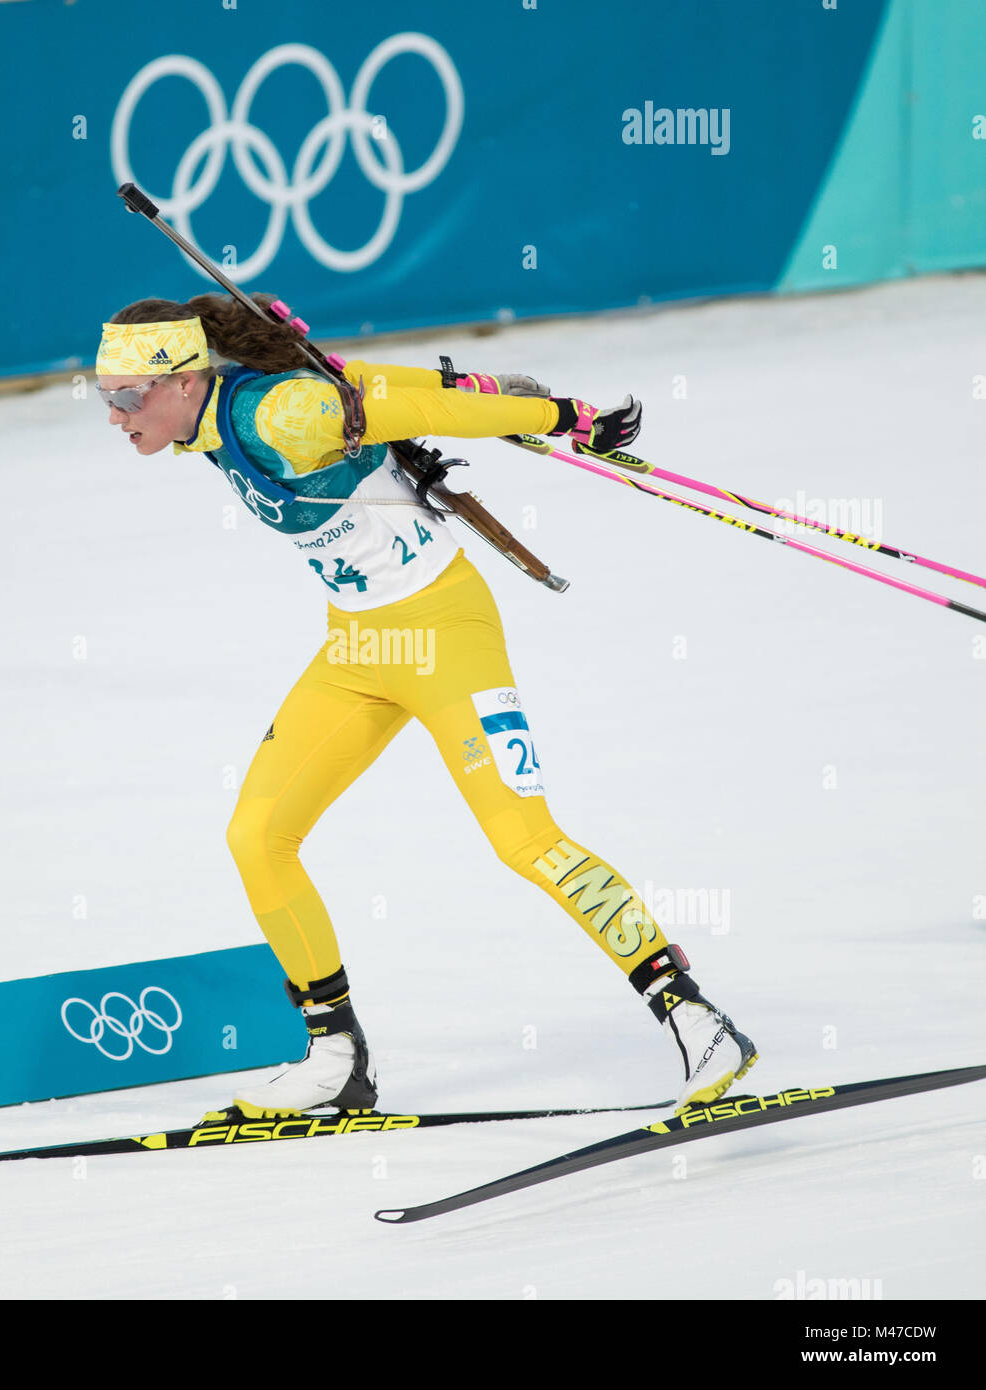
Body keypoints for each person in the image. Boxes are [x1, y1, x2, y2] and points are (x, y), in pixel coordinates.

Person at [95, 293, 757, 1119]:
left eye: (126, 396)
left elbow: (401, 403)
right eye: (102, 395)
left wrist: (558, 413)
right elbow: (359, 379)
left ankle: (695, 1017)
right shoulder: (215, 415)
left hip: (443, 633)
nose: (114, 415)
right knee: (257, 836)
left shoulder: (283, 412)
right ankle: (335, 1056)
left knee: (523, 839)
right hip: (358, 648)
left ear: (184, 380)